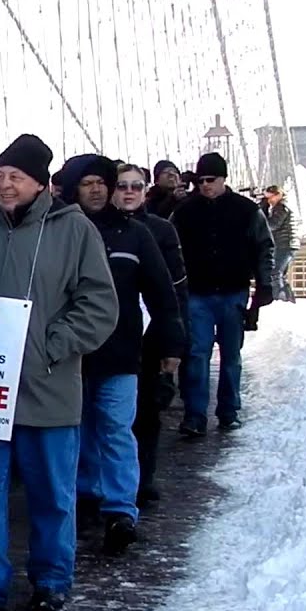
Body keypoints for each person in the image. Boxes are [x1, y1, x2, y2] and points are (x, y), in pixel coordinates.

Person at [0, 134, 118, 611]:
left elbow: (99, 304)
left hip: (47, 388)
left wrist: (50, 347)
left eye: (15, 176)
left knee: (52, 493)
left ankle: (52, 580)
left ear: (40, 183)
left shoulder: (75, 231)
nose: (4, 185)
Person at [59, 155, 182, 555]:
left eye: (102, 182)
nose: (96, 190)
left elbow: (162, 293)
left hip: (121, 352)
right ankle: (83, 496)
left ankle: (120, 510)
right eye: (87, 183)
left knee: (116, 428)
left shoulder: (134, 235)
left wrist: (171, 346)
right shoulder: (57, 234)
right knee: (75, 430)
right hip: (69, 355)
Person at [171, 153, 275, 436]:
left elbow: (264, 247)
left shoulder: (246, 210)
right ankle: (195, 415)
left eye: (211, 179)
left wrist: (265, 285)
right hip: (198, 292)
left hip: (233, 291)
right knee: (197, 354)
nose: (205, 185)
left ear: (223, 178)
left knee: (231, 355)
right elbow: (170, 249)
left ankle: (228, 411)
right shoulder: (184, 212)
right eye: (201, 180)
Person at [115, 165, 188, 506]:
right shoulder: (93, 228)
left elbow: (176, 289)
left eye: (136, 186)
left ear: (146, 190)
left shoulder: (160, 230)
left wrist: (175, 342)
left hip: (149, 334)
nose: (129, 192)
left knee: (146, 410)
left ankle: (143, 478)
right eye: (122, 186)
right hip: (112, 334)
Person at [263, 185, 298, 303]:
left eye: (270, 197)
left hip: (285, 244)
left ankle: (279, 299)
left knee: (275, 272)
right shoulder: (281, 206)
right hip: (287, 244)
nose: (269, 201)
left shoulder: (282, 207)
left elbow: (273, 225)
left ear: (278, 195)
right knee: (281, 274)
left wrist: (263, 211)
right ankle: (288, 298)